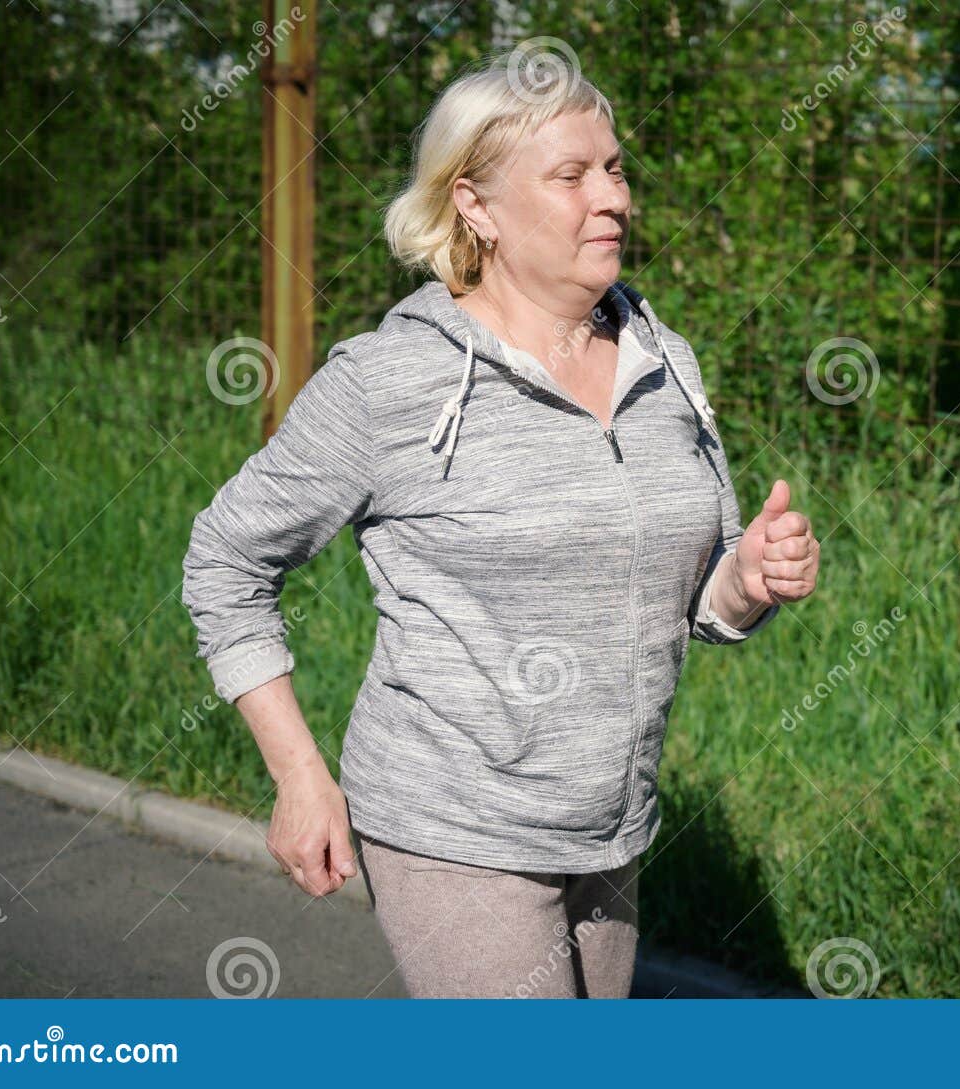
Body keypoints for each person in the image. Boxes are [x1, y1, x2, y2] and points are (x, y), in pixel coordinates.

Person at [179, 48, 820, 998]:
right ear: (475, 205)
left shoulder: (663, 358)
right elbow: (226, 559)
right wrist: (299, 774)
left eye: (615, 168)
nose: (613, 198)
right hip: (452, 827)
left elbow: (700, 599)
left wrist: (748, 578)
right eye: (571, 176)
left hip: (611, 832)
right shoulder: (392, 381)